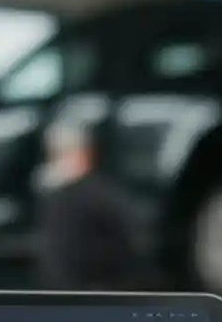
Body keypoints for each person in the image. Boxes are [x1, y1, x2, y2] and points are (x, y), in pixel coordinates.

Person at [35, 122, 144, 291]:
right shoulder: (59, 195)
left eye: (63, 153)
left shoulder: (99, 196)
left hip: (95, 289)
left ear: (85, 154)